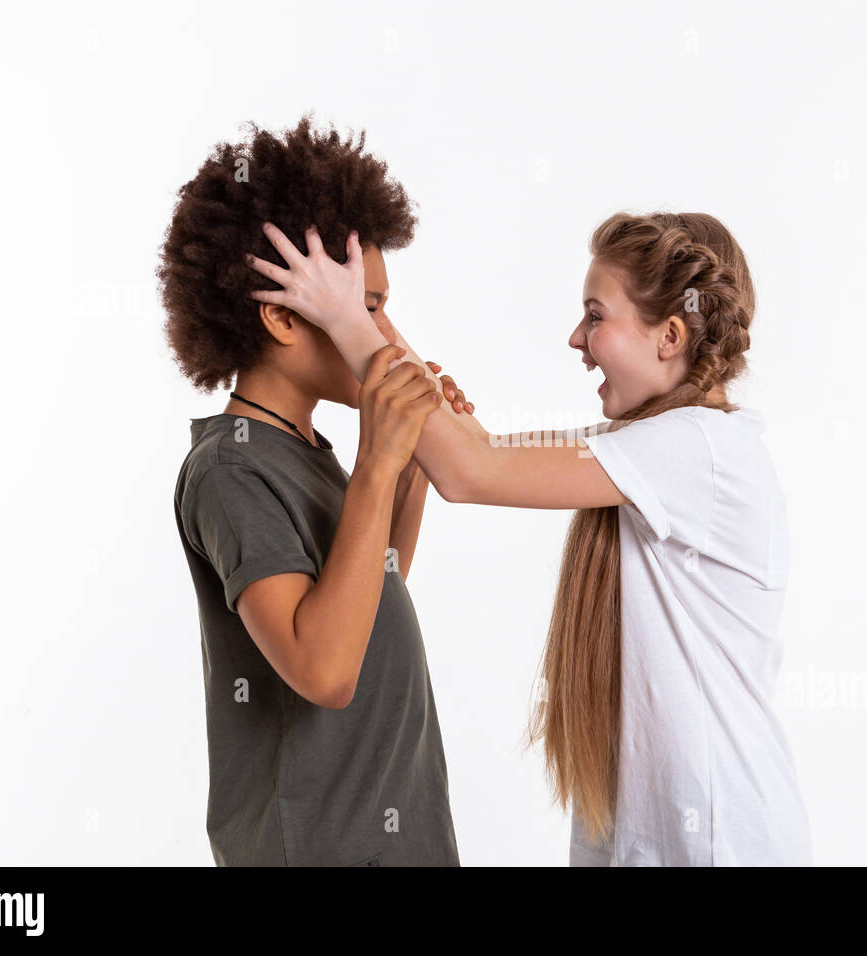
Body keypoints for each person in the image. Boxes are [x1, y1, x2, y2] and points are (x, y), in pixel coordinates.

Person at [245, 210, 815, 866]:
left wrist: (348, 318)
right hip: (653, 834)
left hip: (718, 839)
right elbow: (477, 449)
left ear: (670, 335)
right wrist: (374, 325)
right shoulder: (650, 451)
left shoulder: (701, 448)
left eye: (596, 316)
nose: (577, 337)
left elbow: (469, 471)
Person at [159, 116, 477, 866]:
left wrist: (409, 471)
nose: (390, 336)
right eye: (366, 307)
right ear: (278, 315)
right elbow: (325, 668)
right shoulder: (230, 470)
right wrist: (376, 462)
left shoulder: (306, 451)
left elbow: (371, 592)